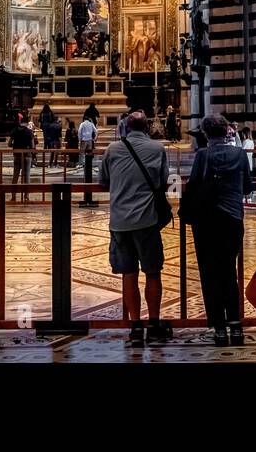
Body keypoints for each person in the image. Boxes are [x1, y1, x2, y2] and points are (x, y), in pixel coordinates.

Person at [98, 115, 170, 346]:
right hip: (147, 220)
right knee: (152, 271)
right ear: (147, 126)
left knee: (129, 274)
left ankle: (136, 327)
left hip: (120, 221)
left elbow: (103, 181)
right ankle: (155, 324)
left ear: (125, 128)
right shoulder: (157, 148)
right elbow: (163, 181)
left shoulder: (112, 149)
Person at [183, 114, 254, 346]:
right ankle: (235, 325)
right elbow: (247, 188)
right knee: (229, 272)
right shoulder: (240, 154)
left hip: (206, 221)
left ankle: (219, 328)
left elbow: (193, 185)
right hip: (232, 219)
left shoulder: (202, 155)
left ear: (205, 134)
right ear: (226, 131)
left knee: (209, 273)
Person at [9, 120, 34, 202]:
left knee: (15, 176)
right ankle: (26, 196)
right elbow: (32, 146)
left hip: (17, 155)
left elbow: (9, 143)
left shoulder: (14, 130)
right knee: (27, 176)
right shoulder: (29, 132)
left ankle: (13, 196)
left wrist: (15, 145)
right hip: (27, 155)